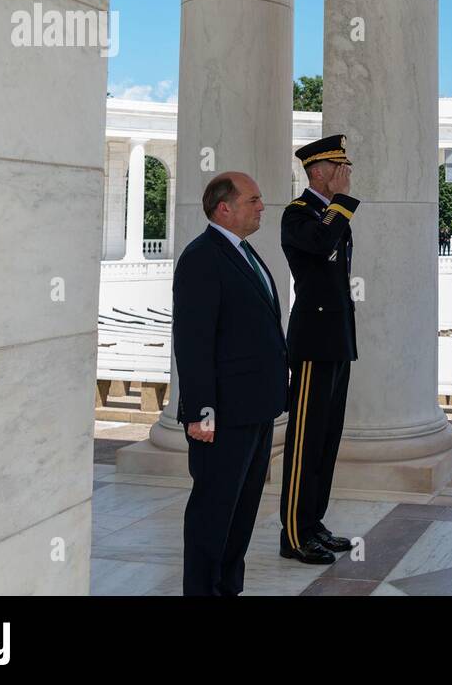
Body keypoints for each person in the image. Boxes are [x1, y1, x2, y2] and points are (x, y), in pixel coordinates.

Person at [173, 172, 288, 595]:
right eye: (253, 200)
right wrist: (202, 412)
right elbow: (192, 342)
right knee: (212, 512)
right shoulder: (202, 257)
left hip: (254, 408)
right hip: (221, 414)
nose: (261, 207)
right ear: (225, 207)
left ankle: (227, 589)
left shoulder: (244, 252)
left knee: (241, 512)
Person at [278, 135, 361, 564]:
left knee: (327, 440)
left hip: (335, 340)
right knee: (305, 441)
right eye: (338, 167)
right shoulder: (298, 215)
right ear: (318, 172)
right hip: (312, 343)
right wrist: (343, 202)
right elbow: (320, 245)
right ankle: (293, 533)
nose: (345, 174)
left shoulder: (329, 213)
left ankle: (313, 523)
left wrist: (340, 205)